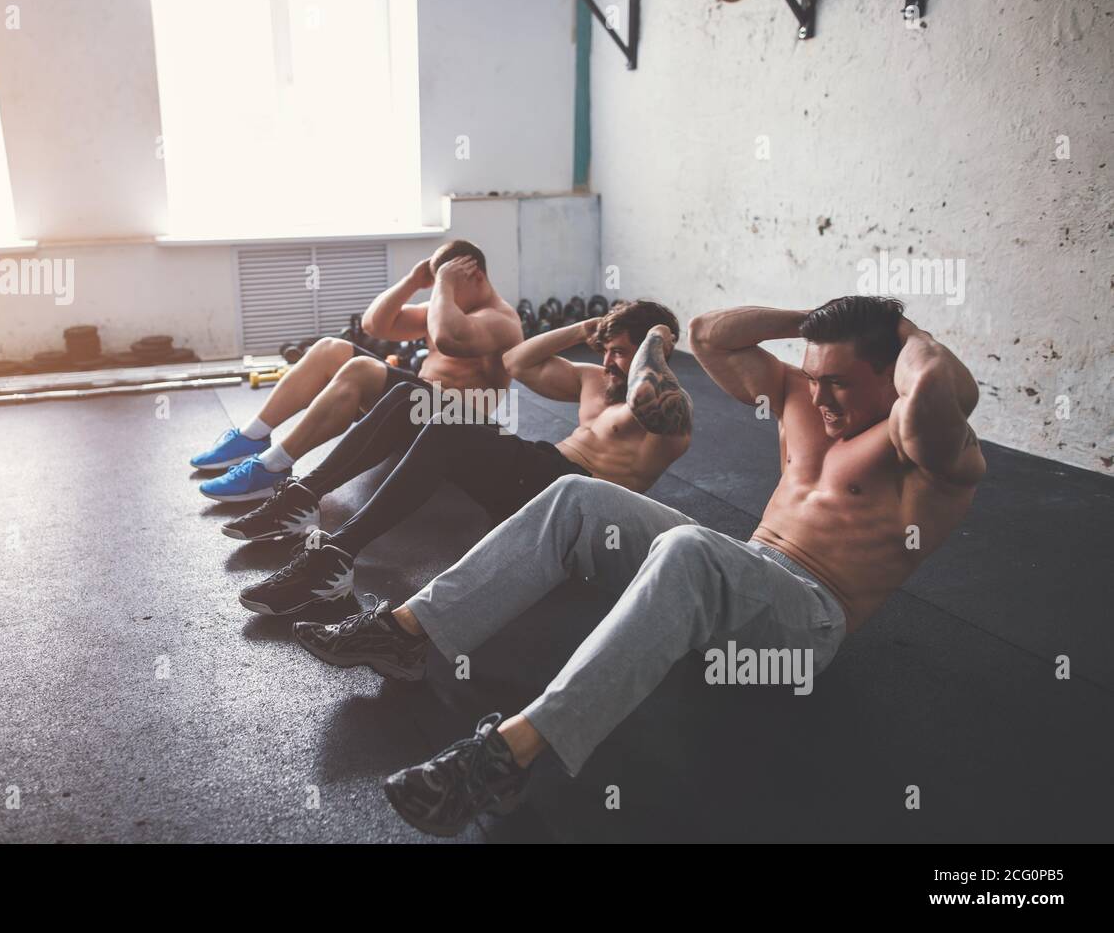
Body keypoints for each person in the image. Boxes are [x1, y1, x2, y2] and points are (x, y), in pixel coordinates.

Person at [294, 296, 986, 837]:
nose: (822, 398)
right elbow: (712, 332)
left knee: (689, 549)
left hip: (807, 621)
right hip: (743, 567)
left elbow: (934, 396)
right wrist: (812, 323)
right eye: (815, 377)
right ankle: (409, 634)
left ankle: (509, 757)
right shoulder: (802, 398)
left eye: (839, 384)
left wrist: (906, 332)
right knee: (577, 497)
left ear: (889, 370)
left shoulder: (923, 448)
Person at [234, 301, 692, 617]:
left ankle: (333, 560)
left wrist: (654, 336)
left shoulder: (666, 409)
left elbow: (649, 394)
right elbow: (517, 362)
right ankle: (303, 498)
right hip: (534, 469)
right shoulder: (595, 380)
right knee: (409, 395)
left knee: (446, 432)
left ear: (655, 355)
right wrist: (580, 329)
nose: (610, 360)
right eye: (607, 350)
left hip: (574, 500)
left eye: (622, 352)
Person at [190, 240, 522, 502]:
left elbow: (450, 338)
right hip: (409, 414)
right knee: (329, 348)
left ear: (476, 276)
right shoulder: (446, 307)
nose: (437, 294)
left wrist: (444, 286)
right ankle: (252, 437)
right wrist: (411, 282)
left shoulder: (499, 320)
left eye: (443, 286)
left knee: (360, 369)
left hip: (452, 429)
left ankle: (271, 468)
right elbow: (375, 325)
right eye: (435, 287)